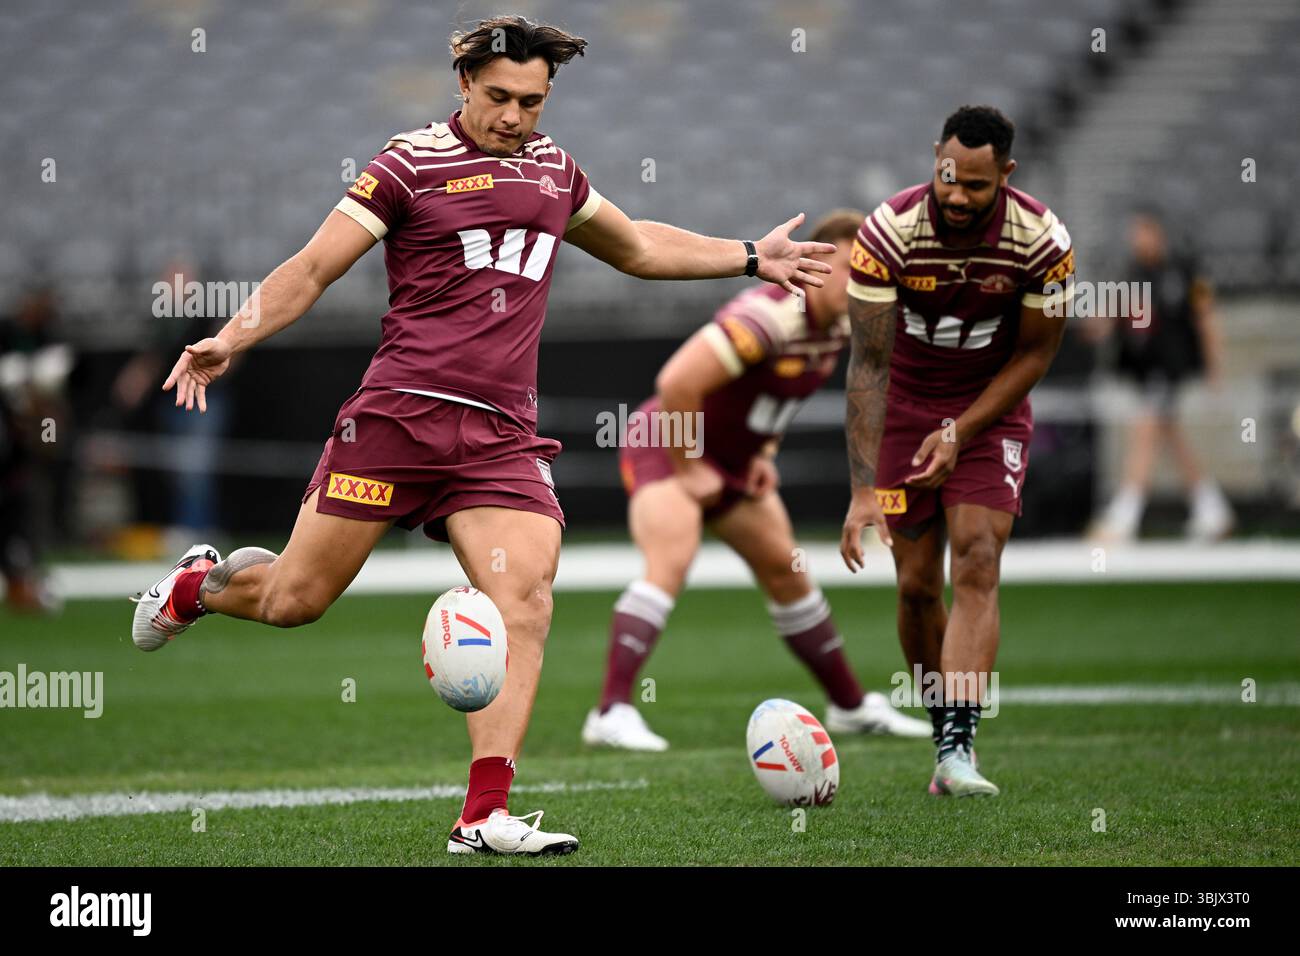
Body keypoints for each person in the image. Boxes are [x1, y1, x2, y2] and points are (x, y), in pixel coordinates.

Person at [128, 15, 836, 856]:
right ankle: (198, 587)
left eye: (532, 101)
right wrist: (231, 337)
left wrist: (753, 255)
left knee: (526, 599)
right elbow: (315, 266)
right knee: (294, 602)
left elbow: (640, 246)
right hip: (397, 418)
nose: (514, 115)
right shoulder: (408, 162)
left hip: (500, 438)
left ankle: (483, 815)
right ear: (463, 83)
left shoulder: (554, 169)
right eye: (498, 96)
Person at [583, 209, 931, 751]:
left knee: (788, 572)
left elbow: (775, 395)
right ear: (815, 264)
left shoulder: (843, 322)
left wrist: (764, 450)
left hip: (734, 458)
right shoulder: (773, 316)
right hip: (667, 443)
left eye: (869, 268)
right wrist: (689, 465)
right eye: (849, 268)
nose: (861, 279)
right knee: (669, 564)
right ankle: (611, 711)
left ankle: (849, 706)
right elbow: (676, 383)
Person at [839, 106, 1074, 797]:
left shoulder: (1043, 241)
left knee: (976, 556)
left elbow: (1035, 354)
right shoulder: (886, 233)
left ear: (1006, 174)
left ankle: (959, 747)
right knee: (915, 585)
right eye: (948, 179)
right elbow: (868, 367)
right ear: (934, 161)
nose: (958, 196)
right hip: (903, 412)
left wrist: (962, 431)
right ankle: (945, 731)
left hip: (988, 412)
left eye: (976, 185)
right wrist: (859, 490)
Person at [1088, 209, 1232, 541]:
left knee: (1146, 429)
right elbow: (1112, 314)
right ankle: (1212, 509)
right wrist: (1094, 324)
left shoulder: (1186, 271)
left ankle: (1124, 515)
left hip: (1170, 369)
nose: (1137, 240)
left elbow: (1206, 316)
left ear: (1158, 234)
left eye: (1143, 232)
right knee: (1170, 435)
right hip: (1144, 370)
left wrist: (1213, 366)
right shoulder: (1130, 274)